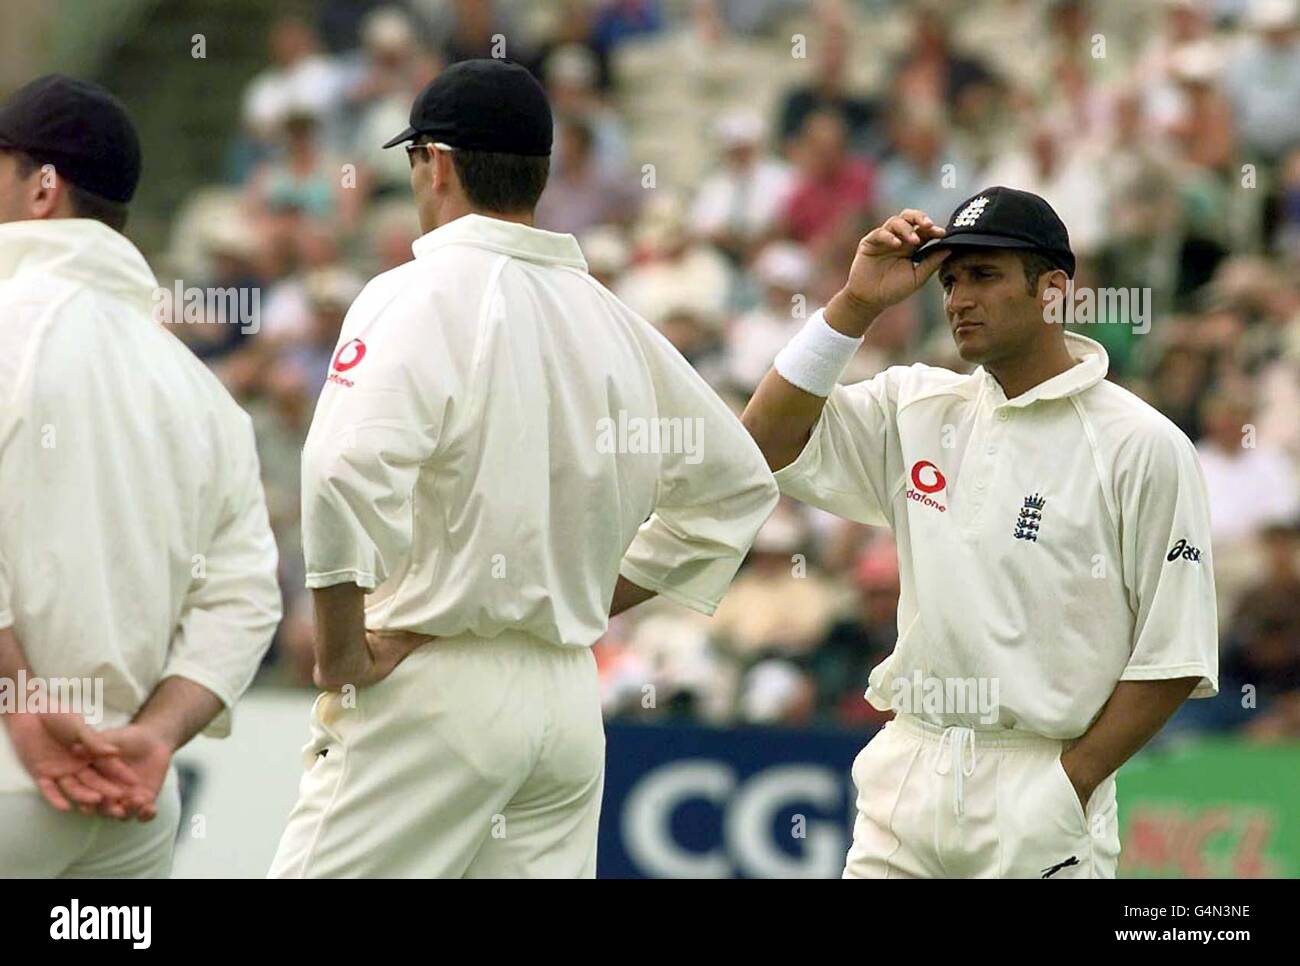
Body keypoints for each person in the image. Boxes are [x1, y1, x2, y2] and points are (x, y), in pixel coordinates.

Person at [269, 59, 777, 879]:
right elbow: (738, 486)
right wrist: (579, 594)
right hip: (567, 703)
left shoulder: (414, 292)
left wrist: (340, 653)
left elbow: (338, 469)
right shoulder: (615, 321)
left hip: (431, 678)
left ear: (435, 162)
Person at [741, 186, 1219, 878]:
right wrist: (855, 306)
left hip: (1041, 780)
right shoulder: (915, 403)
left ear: (1052, 291)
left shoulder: (1142, 444)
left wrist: (1068, 784)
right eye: (951, 278)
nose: (960, 298)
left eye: (986, 275)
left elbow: (1174, 654)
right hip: (906, 774)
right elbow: (763, 440)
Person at [0, 75, 281, 877]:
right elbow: (245, 594)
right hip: (129, 805)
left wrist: (23, 709)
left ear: (43, 186)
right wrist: (155, 735)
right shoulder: (197, 385)